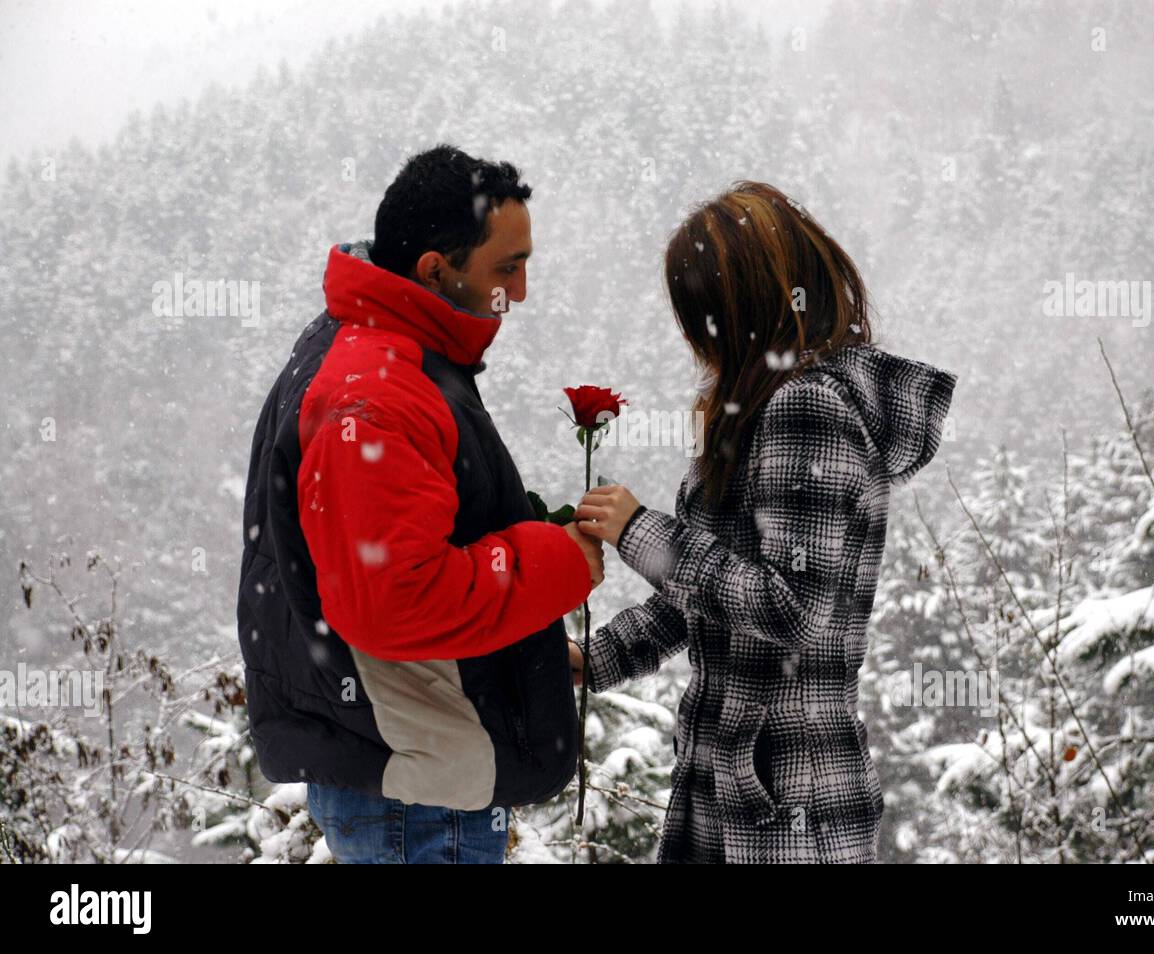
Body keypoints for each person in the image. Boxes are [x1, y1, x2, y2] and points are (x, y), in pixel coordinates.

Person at [236, 144, 605, 863]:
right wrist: (558, 562)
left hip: (412, 774)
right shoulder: (376, 394)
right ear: (436, 269)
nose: (521, 291)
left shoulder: (379, 348)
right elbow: (395, 601)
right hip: (422, 800)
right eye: (507, 268)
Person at [570, 180, 958, 863]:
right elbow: (708, 601)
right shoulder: (768, 406)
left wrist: (640, 532)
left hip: (786, 801)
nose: (698, 339)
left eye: (705, 314)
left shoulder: (806, 408)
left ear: (742, 308)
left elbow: (789, 606)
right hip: (743, 788)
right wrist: (591, 658)